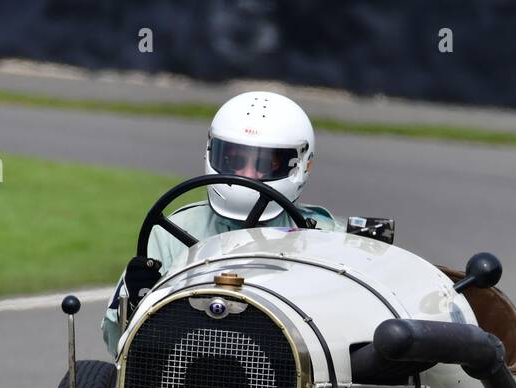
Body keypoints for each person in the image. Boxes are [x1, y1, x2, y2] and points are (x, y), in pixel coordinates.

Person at [102, 90, 342, 356]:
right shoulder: (170, 231)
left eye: (263, 165)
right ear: (212, 153)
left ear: (299, 165)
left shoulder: (328, 239)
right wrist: (137, 302)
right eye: (236, 161)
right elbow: (118, 346)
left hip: (288, 374)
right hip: (183, 368)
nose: (247, 176)